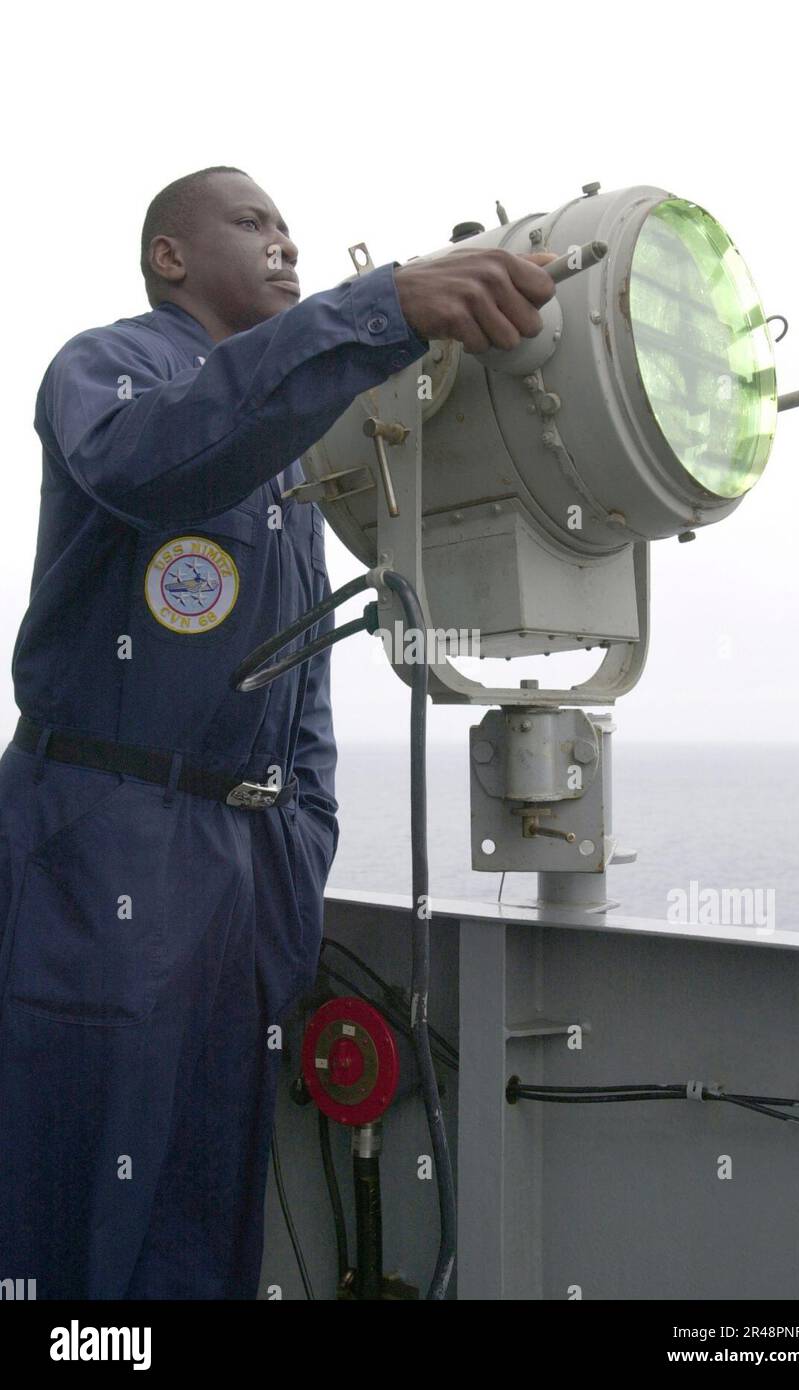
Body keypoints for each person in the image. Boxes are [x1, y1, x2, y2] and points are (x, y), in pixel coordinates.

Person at [0, 165, 555, 1299]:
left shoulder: (294, 446)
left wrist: (293, 853)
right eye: (252, 224)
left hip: (239, 874)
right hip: (102, 843)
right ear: (170, 254)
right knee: (82, 1201)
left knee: (209, 1201)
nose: (284, 245)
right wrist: (378, 307)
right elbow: (154, 457)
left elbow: (305, 668)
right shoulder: (107, 370)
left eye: (291, 229)